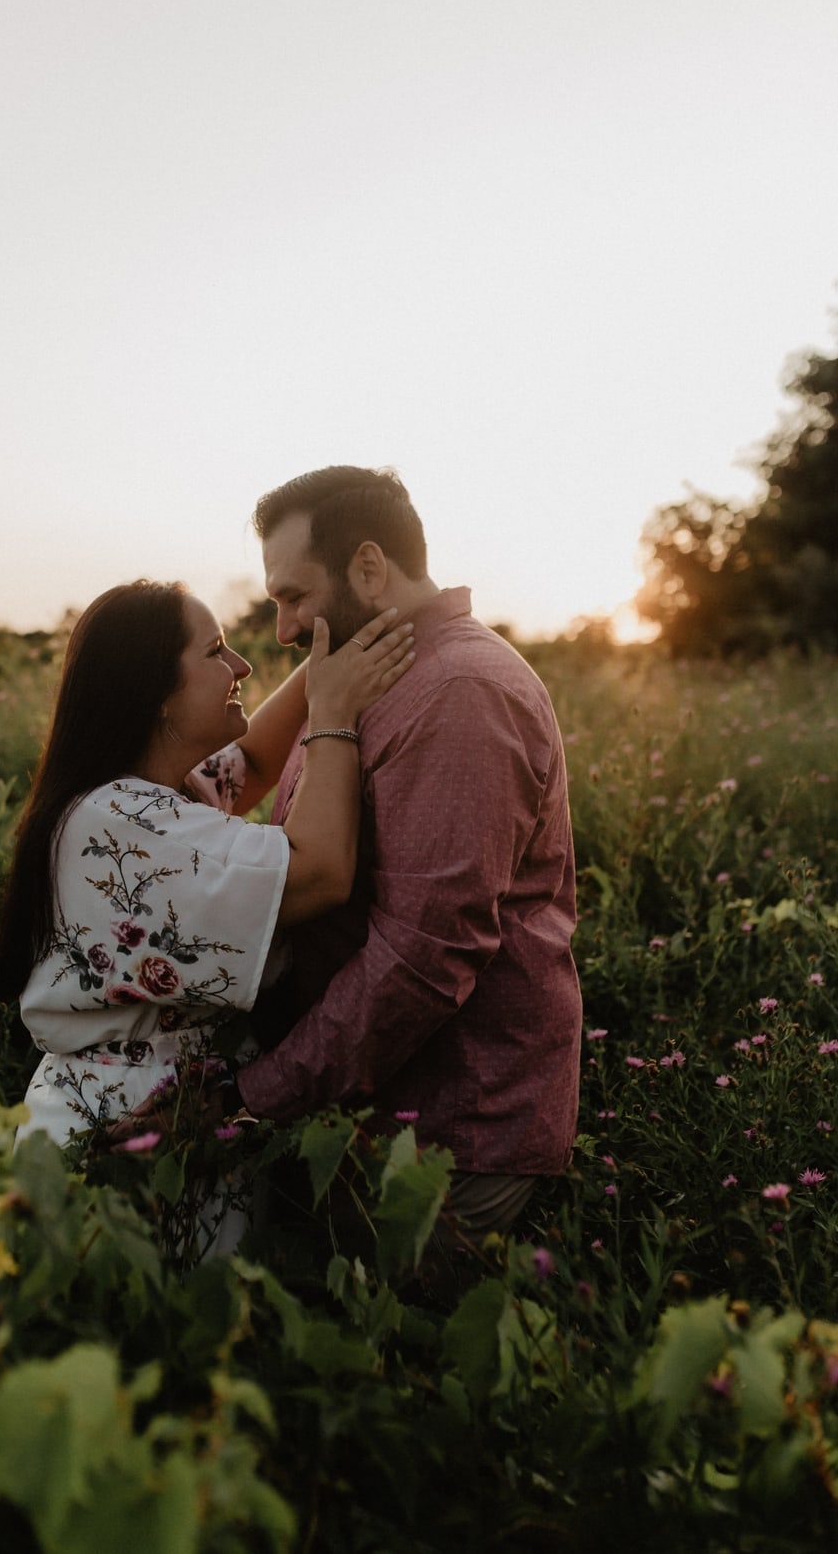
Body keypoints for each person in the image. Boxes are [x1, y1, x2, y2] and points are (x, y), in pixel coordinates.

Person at [226, 466, 583, 1282]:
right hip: (359, 1111)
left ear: (368, 569)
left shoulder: (459, 692)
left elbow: (422, 960)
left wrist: (249, 1098)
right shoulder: (357, 674)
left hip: (446, 1140)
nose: (281, 629)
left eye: (292, 597)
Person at [0, 578, 413, 1253]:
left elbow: (252, 761)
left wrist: (345, 629)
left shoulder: (157, 792)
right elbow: (321, 871)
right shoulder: (122, 821)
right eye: (216, 650)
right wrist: (335, 714)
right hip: (122, 1153)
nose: (242, 666)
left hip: (169, 1133)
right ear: (156, 693)